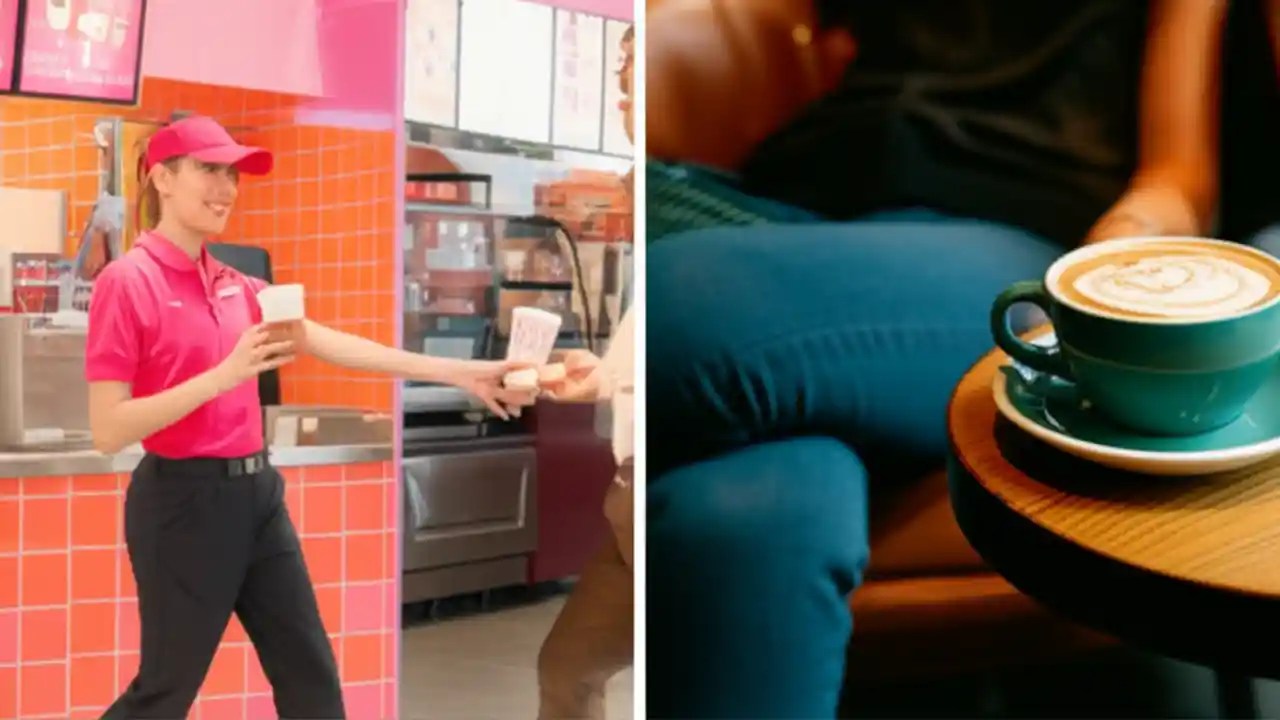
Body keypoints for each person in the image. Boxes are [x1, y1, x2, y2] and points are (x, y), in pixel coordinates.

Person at [645, 0, 1226, 717]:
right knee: (744, 513)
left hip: (1013, 239)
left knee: (673, 297)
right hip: (795, 220)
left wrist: (1104, 272)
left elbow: (1177, 176)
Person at [88, 115, 536, 719]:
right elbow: (109, 429)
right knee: (166, 691)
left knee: (311, 680)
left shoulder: (239, 285)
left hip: (258, 496)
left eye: (233, 174)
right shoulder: (127, 281)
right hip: (182, 505)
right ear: (162, 177)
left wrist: (460, 374)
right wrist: (225, 375)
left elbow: (333, 342)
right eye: (209, 170)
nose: (226, 188)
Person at [534, 23, 635, 720]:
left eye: (635, 81)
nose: (626, 101)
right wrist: (599, 376)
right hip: (627, 498)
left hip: (673, 497)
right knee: (567, 669)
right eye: (624, 86)